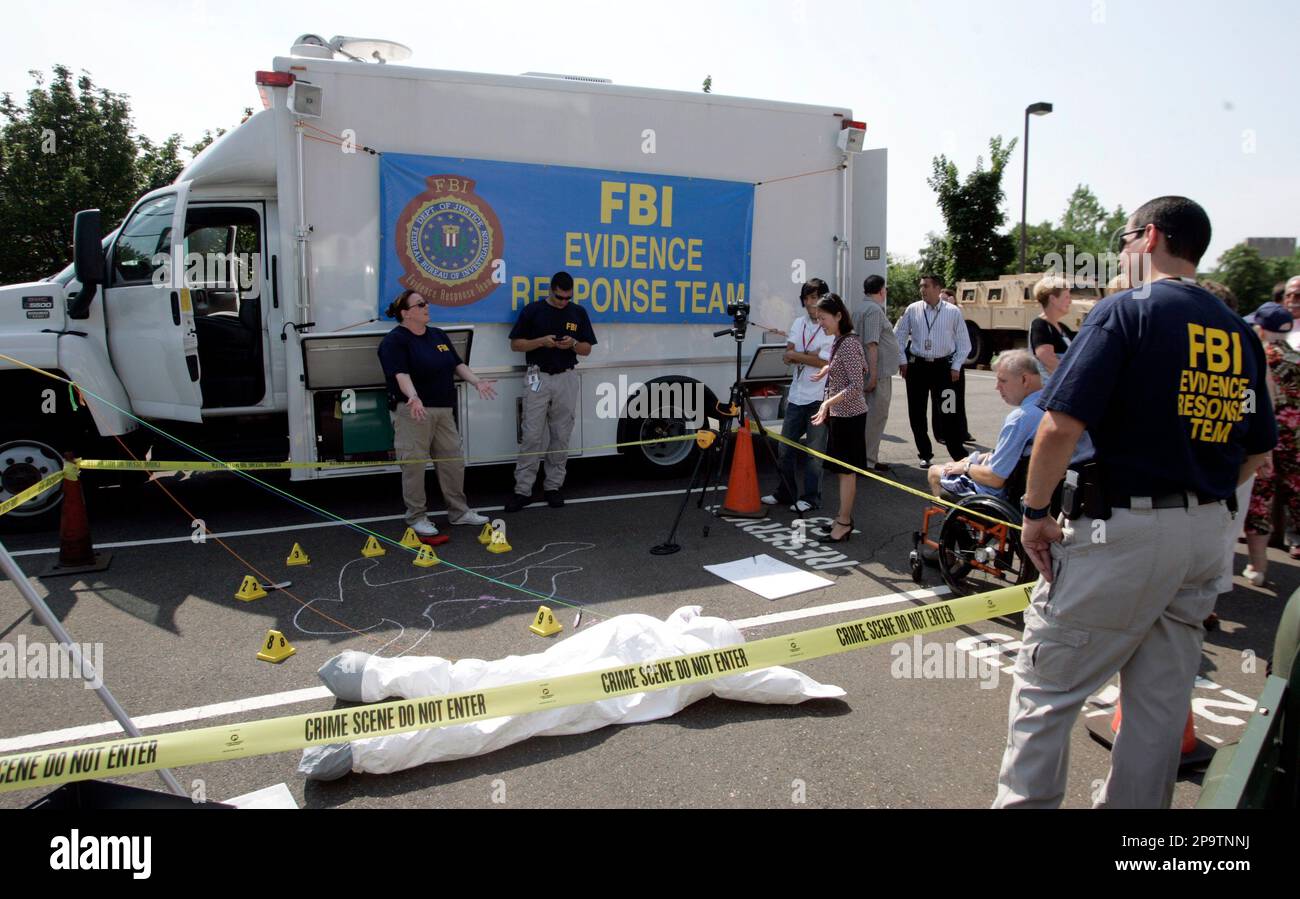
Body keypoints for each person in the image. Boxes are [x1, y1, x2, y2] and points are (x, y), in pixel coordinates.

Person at [994, 196, 1276, 809]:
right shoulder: (1236, 329)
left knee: (1047, 689)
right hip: (1206, 534)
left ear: (1147, 238)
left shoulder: (1129, 310)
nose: (1119, 252)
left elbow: (1058, 426)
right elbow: (1258, 451)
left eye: (1124, 239)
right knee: (1158, 704)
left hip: (1123, 529)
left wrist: (1035, 515)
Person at [378, 290, 497, 537]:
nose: (426, 307)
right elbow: (400, 374)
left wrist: (477, 382)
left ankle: (459, 512)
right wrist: (413, 396)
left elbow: (457, 364)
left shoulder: (438, 335)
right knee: (414, 466)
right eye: (421, 304)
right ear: (405, 312)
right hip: (414, 412)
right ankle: (416, 517)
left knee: (453, 461)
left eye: (426, 303)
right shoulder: (395, 341)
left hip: (443, 409)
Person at [926, 350, 1092, 499]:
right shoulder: (1056, 407)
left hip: (997, 495)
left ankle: (953, 525)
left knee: (935, 472)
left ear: (1025, 379)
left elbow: (995, 479)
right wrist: (972, 459)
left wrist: (966, 467)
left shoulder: (1020, 418)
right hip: (1050, 490)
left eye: (1002, 381)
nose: (997, 387)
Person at [505, 271, 598, 512]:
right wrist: (541, 341)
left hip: (566, 376)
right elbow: (516, 344)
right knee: (532, 435)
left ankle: (553, 486)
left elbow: (587, 349)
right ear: (551, 290)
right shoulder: (533, 310)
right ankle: (522, 490)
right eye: (559, 297)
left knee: (561, 433)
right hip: (538, 375)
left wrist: (574, 344)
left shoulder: (578, 312)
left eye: (567, 298)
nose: (563, 302)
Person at [1241, 302, 1300, 586]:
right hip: (1298, 441)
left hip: (1266, 442)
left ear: (1261, 330)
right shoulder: (1298, 358)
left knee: (1259, 503)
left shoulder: (1258, 358)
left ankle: (1258, 567)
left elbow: (1254, 404)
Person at [762, 280, 833, 511]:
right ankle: (785, 492)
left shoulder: (829, 326)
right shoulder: (798, 323)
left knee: (814, 453)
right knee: (784, 449)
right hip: (796, 395)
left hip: (819, 397)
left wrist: (798, 355)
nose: (810, 303)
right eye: (807, 298)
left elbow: (823, 361)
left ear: (823, 299)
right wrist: (805, 355)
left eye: (815, 298)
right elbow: (786, 355)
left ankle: (811, 498)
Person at [809, 293, 868, 543]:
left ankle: (844, 523)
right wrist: (828, 369)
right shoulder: (841, 340)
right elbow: (859, 366)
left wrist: (827, 403)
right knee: (842, 472)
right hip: (842, 416)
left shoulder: (849, 342)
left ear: (838, 316)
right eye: (818, 318)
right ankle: (841, 518)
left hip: (850, 417)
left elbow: (857, 384)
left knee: (846, 473)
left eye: (823, 318)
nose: (820, 322)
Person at [894, 274, 970, 466]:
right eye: (921, 286)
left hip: (944, 370)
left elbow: (964, 343)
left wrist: (956, 366)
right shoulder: (913, 309)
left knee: (948, 411)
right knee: (917, 413)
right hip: (917, 368)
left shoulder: (953, 312)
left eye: (926, 286)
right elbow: (899, 336)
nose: (922, 290)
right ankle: (925, 454)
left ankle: (957, 454)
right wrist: (902, 361)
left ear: (937, 288)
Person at [856, 275, 898, 473]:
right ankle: (867, 460)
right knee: (875, 417)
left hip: (869, 370)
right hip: (877, 373)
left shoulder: (860, 307)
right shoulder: (873, 310)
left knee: (869, 417)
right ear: (881, 291)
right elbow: (871, 344)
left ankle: (868, 456)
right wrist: (872, 376)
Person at [1028, 276, 1076, 383]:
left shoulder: (1063, 328)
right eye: (1067, 297)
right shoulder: (1040, 325)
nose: (1070, 301)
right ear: (1053, 299)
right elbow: (1048, 361)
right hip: (1050, 389)